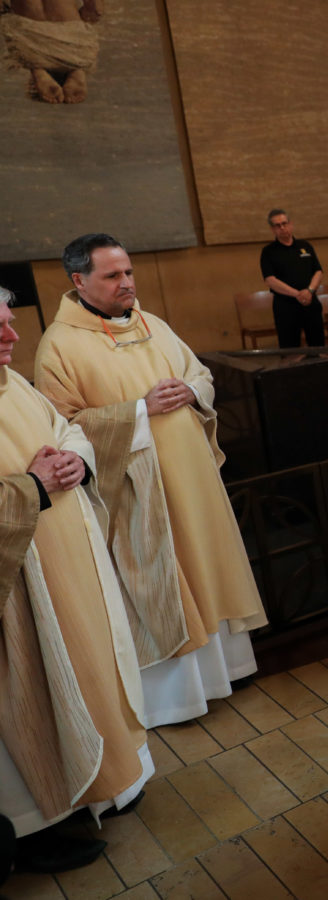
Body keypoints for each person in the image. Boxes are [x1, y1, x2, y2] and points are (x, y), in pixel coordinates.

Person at [34, 233, 267, 727]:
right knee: (163, 580)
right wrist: (141, 410)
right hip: (137, 489)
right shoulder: (59, 345)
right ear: (79, 280)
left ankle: (231, 667)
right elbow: (62, 426)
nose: (127, 283)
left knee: (206, 562)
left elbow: (199, 373)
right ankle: (182, 696)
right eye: (113, 275)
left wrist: (188, 388)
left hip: (192, 477)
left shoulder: (151, 323)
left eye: (130, 272)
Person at [0, 292, 152, 870]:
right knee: (33, 697)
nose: (13, 338)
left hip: (69, 567)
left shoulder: (13, 383)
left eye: (11, 324)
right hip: (18, 590)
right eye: (0, 329)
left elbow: (66, 429)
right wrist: (33, 488)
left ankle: (103, 784)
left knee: (89, 666)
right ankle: (39, 827)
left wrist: (75, 460)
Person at [2, 0, 102, 103]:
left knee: (10, 23)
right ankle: (76, 70)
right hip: (73, 41)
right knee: (82, 28)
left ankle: (38, 71)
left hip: (30, 37)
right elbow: (96, 10)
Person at [259, 208, 325, 348]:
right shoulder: (268, 251)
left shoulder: (305, 246)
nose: (282, 228)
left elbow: (318, 271)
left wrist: (309, 291)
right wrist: (297, 294)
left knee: (319, 347)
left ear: (291, 224)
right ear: (272, 229)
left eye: (284, 223)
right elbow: (270, 280)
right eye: (278, 225)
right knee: (290, 350)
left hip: (310, 302)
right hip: (285, 307)